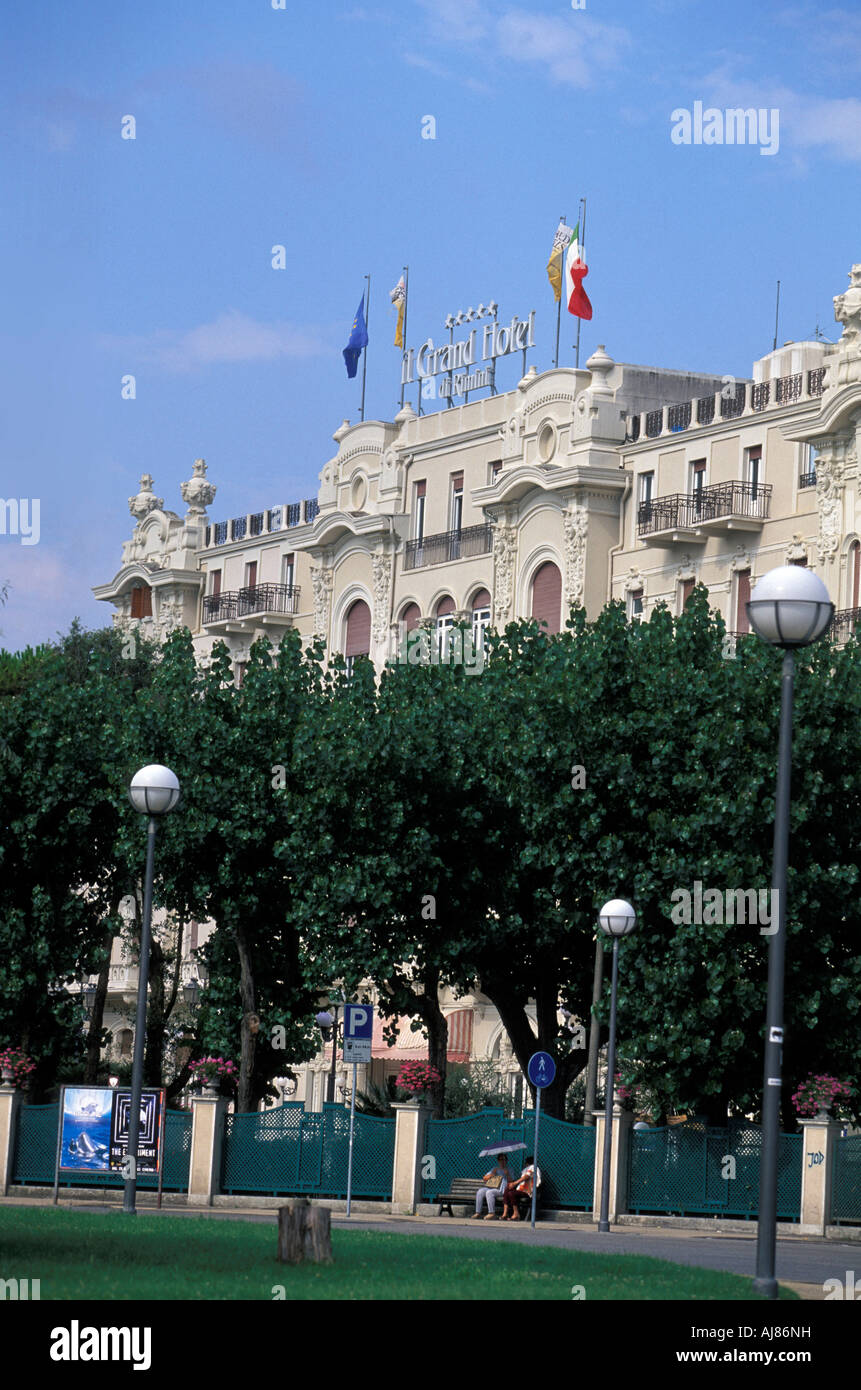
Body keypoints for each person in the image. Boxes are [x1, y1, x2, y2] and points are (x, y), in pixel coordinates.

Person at [501, 1155, 541, 1220]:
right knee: (508, 1189)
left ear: (527, 1163)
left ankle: (516, 1214)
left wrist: (514, 1183)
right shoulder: (527, 1169)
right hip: (521, 1190)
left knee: (511, 1193)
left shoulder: (533, 1167)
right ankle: (505, 1213)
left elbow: (526, 1176)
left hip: (527, 1191)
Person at [472, 1153, 510, 1219]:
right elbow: (485, 1178)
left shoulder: (509, 1169)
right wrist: (492, 1174)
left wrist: (507, 1174)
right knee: (480, 1191)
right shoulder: (495, 1169)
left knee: (489, 1193)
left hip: (501, 1189)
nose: (502, 1161)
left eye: (504, 1159)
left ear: (506, 1161)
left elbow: (511, 1181)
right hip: (492, 1187)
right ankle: (478, 1212)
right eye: (500, 1160)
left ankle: (491, 1213)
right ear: (498, 1161)